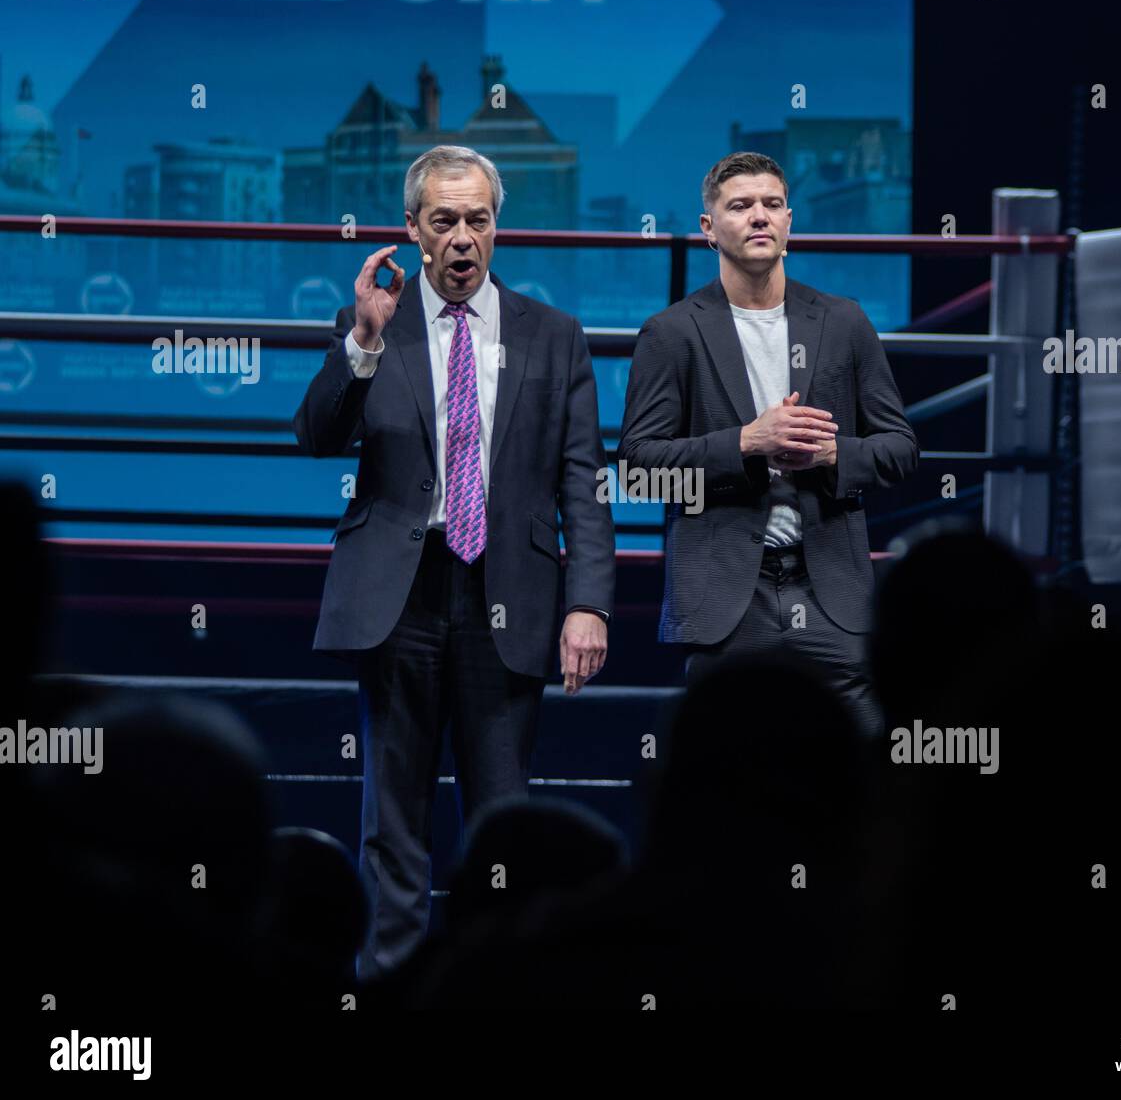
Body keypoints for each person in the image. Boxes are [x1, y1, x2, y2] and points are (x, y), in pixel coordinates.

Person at [293, 145, 615, 981]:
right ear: (412, 229)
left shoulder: (555, 336)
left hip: (509, 593)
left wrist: (590, 602)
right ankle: (392, 986)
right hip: (400, 595)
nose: (463, 237)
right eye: (444, 221)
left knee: (504, 823)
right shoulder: (374, 321)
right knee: (392, 822)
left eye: (478, 220)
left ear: (496, 226)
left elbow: (583, 482)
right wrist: (362, 340)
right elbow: (316, 436)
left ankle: (498, 990)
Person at [618, 151, 917, 736]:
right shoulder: (672, 332)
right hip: (729, 595)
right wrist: (747, 443)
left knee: (861, 780)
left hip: (829, 586)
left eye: (772, 204)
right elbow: (638, 470)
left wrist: (833, 455)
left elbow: (900, 448)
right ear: (708, 228)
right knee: (730, 788)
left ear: (789, 222)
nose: (759, 217)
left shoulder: (844, 322)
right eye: (740, 206)